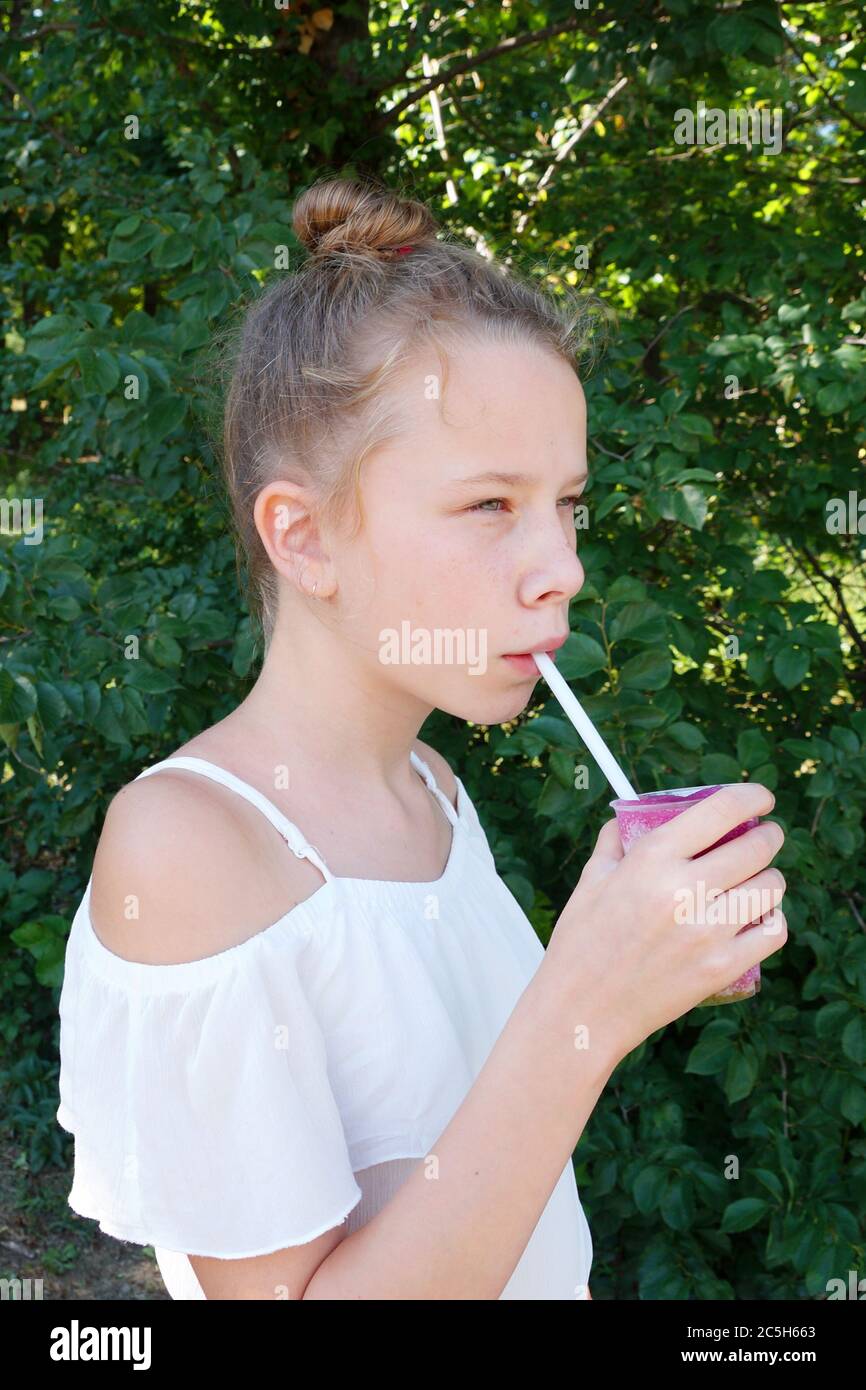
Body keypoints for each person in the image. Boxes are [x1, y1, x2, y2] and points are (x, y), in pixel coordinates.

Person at [56, 176, 788, 1300]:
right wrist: (585, 1007)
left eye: (565, 503)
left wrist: (634, 961)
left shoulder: (431, 790)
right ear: (302, 537)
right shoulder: (186, 849)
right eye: (490, 504)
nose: (562, 565)